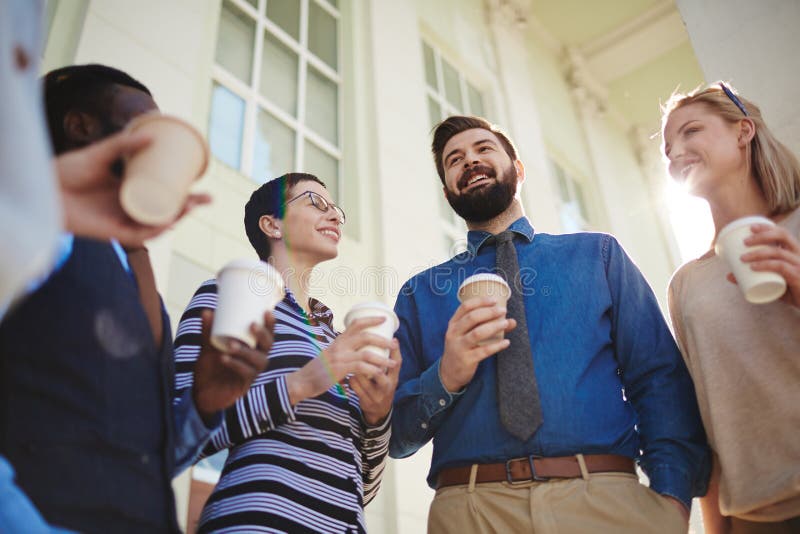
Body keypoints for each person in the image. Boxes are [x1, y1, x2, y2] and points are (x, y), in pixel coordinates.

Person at [390, 115, 710, 533]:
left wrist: (672, 499)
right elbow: (394, 436)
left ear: (518, 170)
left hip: (606, 501)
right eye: (455, 160)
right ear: (448, 190)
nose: (470, 161)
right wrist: (445, 377)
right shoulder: (420, 293)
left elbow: (658, 379)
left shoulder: (598, 256)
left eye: (483, 149)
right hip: (469, 513)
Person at [0, 63, 275, 534]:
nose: (161, 141)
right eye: (144, 123)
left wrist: (205, 404)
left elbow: (142, 457)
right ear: (80, 126)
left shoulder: (133, 273)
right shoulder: (26, 225)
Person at [174, 172, 402, 533]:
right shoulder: (230, 296)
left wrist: (378, 418)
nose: (334, 216)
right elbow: (174, 436)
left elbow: (362, 487)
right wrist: (302, 383)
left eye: (337, 211)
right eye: (315, 203)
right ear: (272, 225)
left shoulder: (335, 335)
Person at [662, 83, 800, 533]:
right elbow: (706, 424)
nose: (675, 152)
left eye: (691, 131)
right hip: (756, 517)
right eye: (667, 148)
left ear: (743, 131)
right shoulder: (687, 284)